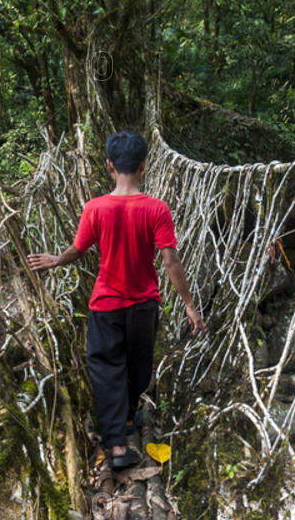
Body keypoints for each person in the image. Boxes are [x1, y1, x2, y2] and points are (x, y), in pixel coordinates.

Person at [26, 130, 206, 469]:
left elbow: (78, 249)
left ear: (110, 166)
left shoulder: (95, 208)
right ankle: (126, 421)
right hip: (143, 306)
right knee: (139, 367)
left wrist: (55, 259)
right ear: (144, 164)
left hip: (106, 305)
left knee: (107, 370)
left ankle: (118, 446)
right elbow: (171, 261)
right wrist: (189, 304)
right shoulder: (157, 209)